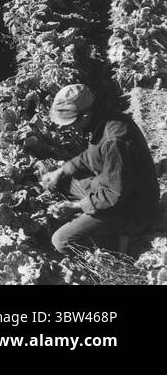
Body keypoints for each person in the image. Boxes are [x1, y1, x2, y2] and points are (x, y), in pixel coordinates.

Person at [41, 84, 160, 256]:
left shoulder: (115, 140)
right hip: (110, 187)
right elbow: (92, 156)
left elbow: (114, 196)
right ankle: (91, 217)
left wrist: (76, 207)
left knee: (61, 241)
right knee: (61, 180)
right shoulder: (101, 119)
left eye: (70, 123)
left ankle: (124, 241)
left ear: (86, 116)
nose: (66, 128)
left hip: (130, 209)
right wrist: (61, 171)